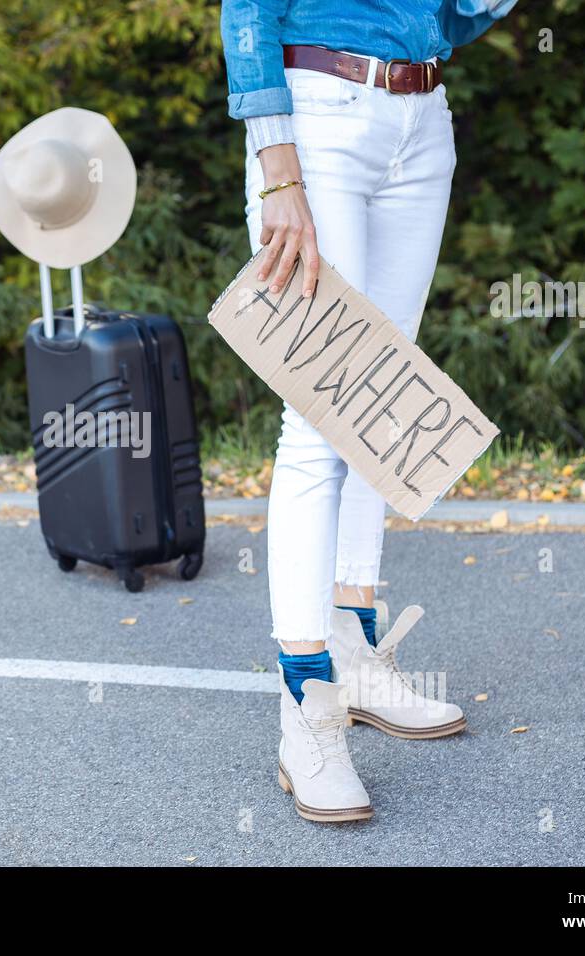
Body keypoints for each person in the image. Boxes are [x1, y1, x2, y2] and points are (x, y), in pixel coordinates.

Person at [220, 0, 518, 822]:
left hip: (422, 118)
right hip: (316, 119)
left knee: (376, 410)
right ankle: (306, 709)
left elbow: (446, 18)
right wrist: (276, 165)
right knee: (318, 419)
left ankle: (352, 649)